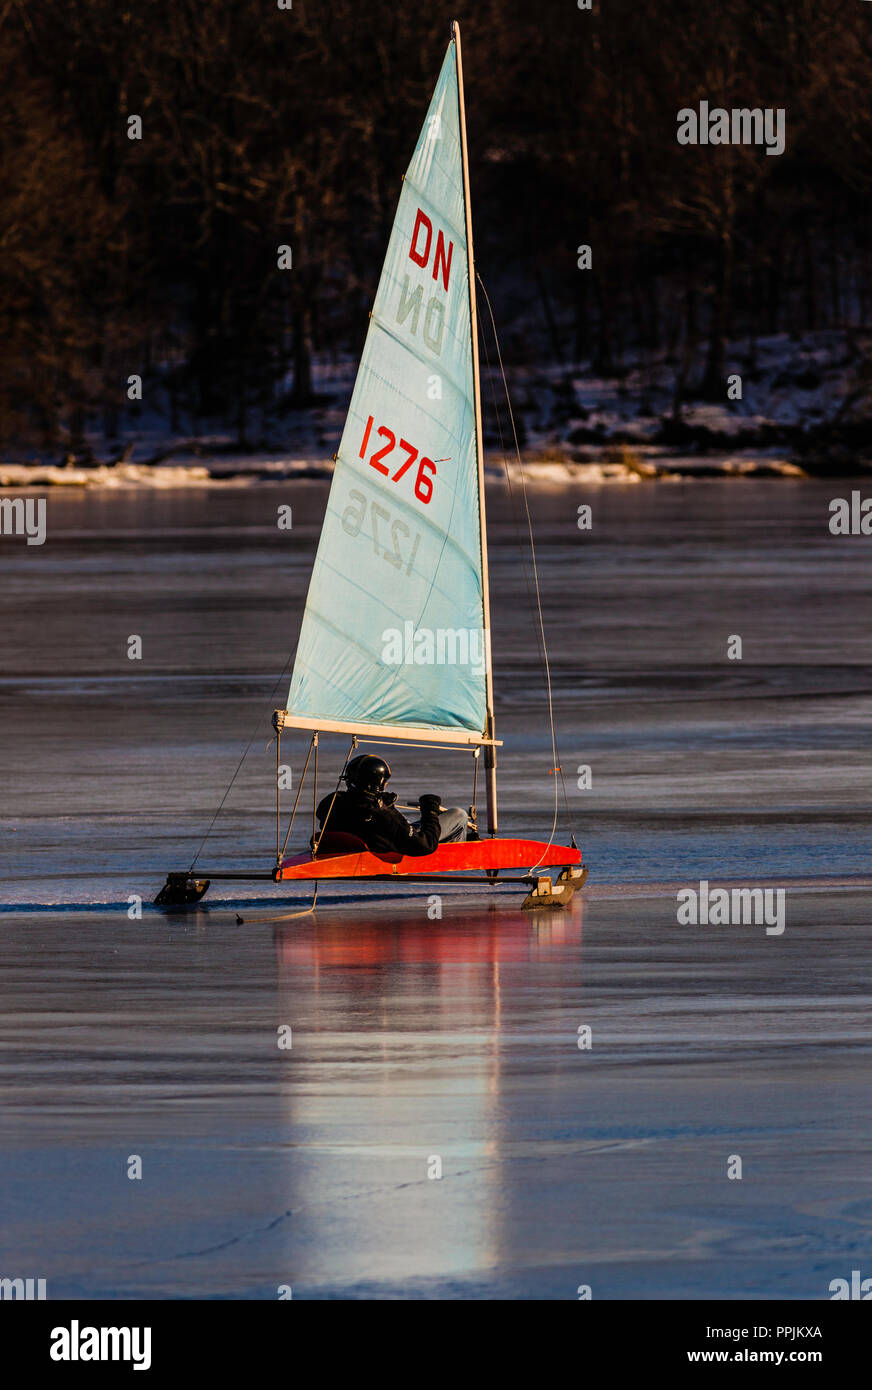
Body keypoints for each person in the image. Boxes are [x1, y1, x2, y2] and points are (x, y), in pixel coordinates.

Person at [315, 754, 470, 856]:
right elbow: (425, 845)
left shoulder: (333, 800)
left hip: (376, 837)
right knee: (459, 815)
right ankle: (456, 854)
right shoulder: (384, 817)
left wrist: (384, 804)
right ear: (377, 784)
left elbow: (360, 812)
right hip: (398, 844)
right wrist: (431, 811)